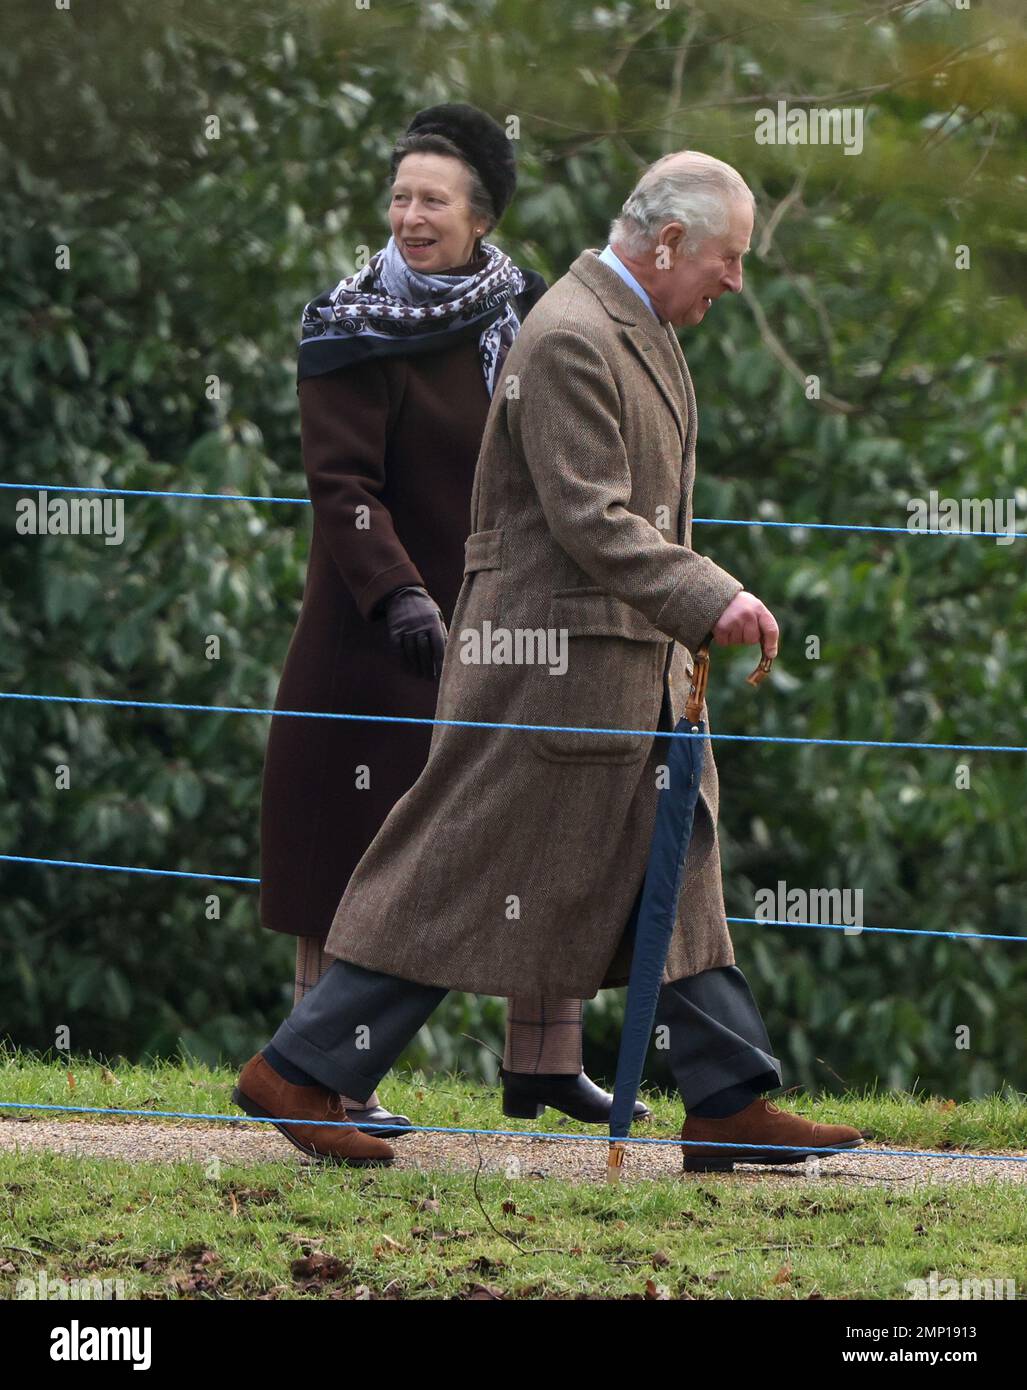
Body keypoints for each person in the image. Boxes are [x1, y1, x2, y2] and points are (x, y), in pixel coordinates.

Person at [237, 149, 866, 1171]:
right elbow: (592, 518)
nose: (735, 280)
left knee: (683, 860)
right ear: (667, 244)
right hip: (549, 675)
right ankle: (296, 1070)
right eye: (729, 257)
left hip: (624, 667)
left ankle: (724, 1098)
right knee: (449, 874)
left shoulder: (636, 326)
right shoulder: (573, 336)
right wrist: (714, 596)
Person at [258, 102, 648, 1141]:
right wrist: (398, 596)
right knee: (350, 852)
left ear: (481, 216)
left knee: (540, 824)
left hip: (510, 622)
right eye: (398, 196)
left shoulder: (534, 311)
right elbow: (341, 485)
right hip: (376, 628)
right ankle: (324, 1075)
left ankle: (544, 1063)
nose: (409, 215)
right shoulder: (347, 326)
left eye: (432, 198)